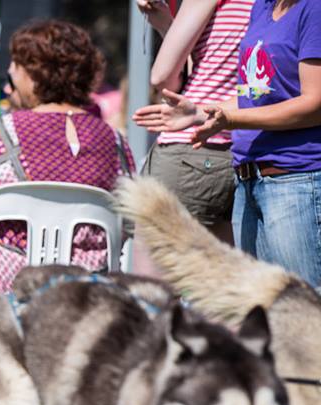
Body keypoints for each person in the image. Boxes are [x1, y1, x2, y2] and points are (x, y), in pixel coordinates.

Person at [133, 0, 321, 286]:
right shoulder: (262, 7)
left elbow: (315, 104)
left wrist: (230, 118)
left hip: (292, 181)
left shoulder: (313, 8)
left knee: (304, 311)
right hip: (247, 179)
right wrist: (199, 111)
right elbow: (257, 94)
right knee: (258, 311)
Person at [0, 20, 133, 298]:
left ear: (35, 75)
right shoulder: (115, 140)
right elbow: (127, 223)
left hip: (10, 291)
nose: (6, 88)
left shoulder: (5, 131)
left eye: (14, 74)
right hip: (89, 294)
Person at [136, 0, 253, 247]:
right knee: (219, 278)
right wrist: (166, 24)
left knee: (153, 283)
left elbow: (163, 78)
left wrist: (166, 27)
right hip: (242, 151)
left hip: (190, 150)